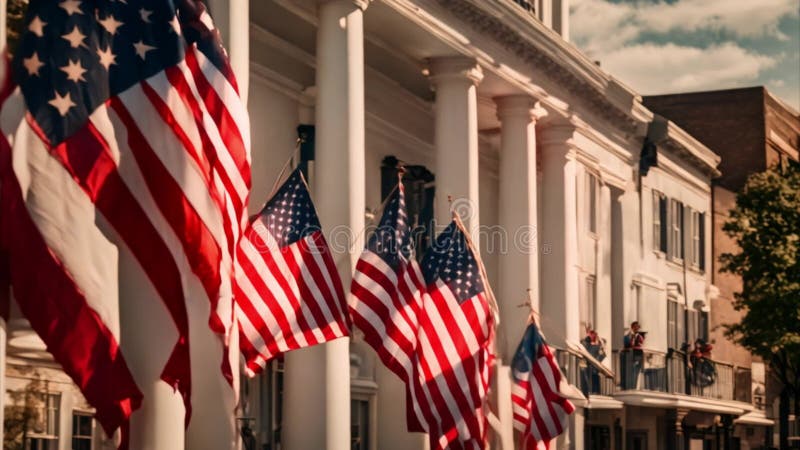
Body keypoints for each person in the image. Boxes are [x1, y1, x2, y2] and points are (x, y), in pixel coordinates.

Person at [581, 326, 607, 395]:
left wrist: (597, 361)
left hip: (595, 367)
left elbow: (603, 354)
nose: (593, 335)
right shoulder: (586, 344)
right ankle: (589, 392)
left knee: (595, 379)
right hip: (588, 365)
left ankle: (595, 392)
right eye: (591, 334)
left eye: (594, 334)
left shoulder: (598, 345)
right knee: (587, 379)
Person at [621, 321, 646, 389]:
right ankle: (628, 386)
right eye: (634, 327)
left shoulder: (640, 337)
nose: (636, 328)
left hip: (637, 357)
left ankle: (634, 387)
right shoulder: (628, 336)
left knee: (635, 373)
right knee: (630, 373)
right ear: (632, 327)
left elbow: (641, 346)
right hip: (629, 357)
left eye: (637, 327)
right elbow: (626, 344)